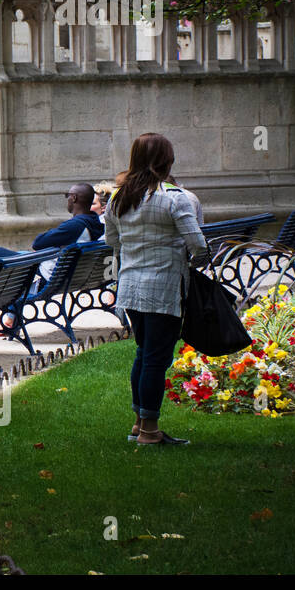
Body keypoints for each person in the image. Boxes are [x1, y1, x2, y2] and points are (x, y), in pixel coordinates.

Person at [104, 133, 208, 447]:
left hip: (131, 285)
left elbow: (112, 242)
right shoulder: (173, 197)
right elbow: (199, 245)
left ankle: (138, 423)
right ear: (167, 160)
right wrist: (180, 254)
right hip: (164, 288)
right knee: (155, 359)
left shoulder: (118, 197)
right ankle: (150, 431)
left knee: (143, 353)